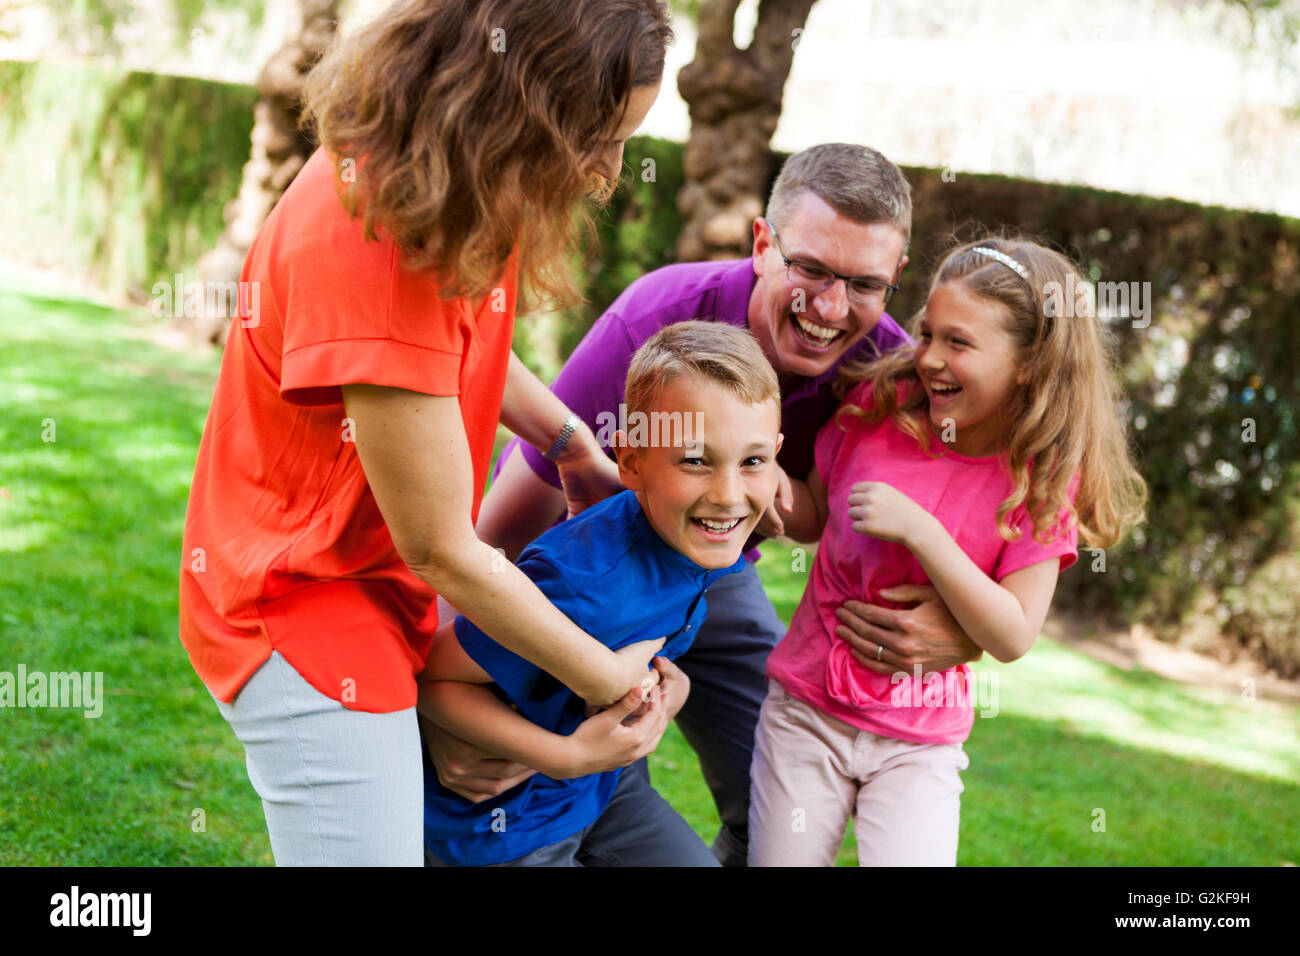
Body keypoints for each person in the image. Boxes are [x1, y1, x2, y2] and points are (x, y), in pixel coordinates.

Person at [177, 0, 678, 866]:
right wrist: (613, 688)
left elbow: (461, 345)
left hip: (368, 587)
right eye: (594, 138)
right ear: (519, 104)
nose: (608, 172)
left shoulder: (448, 177)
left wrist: (571, 448)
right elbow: (444, 548)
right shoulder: (369, 240)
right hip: (299, 608)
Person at [423, 143, 985, 866]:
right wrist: (433, 704)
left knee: (779, 781)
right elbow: (506, 522)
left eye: (863, 283)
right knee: (542, 720)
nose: (830, 307)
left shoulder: (888, 372)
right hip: (595, 552)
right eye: (809, 268)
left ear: (894, 278)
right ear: (762, 244)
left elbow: (1001, 479)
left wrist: (965, 630)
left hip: (712, 566)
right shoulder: (654, 329)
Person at [748, 237, 1149, 866]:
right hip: (806, 714)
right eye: (927, 333)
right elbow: (811, 516)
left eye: (958, 343)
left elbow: (1014, 633)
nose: (928, 357)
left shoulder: (1038, 481)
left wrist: (923, 532)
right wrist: (757, 468)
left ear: (1029, 362)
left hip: (919, 742)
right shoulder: (878, 406)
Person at [419, 322, 782, 866]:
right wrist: (563, 757)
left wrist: (664, 691)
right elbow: (434, 680)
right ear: (631, 461)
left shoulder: (698, 533)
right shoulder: (582, 584)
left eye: (752, 461)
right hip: (505, 826)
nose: (728, 495)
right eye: (695, 460)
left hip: (602, 795)